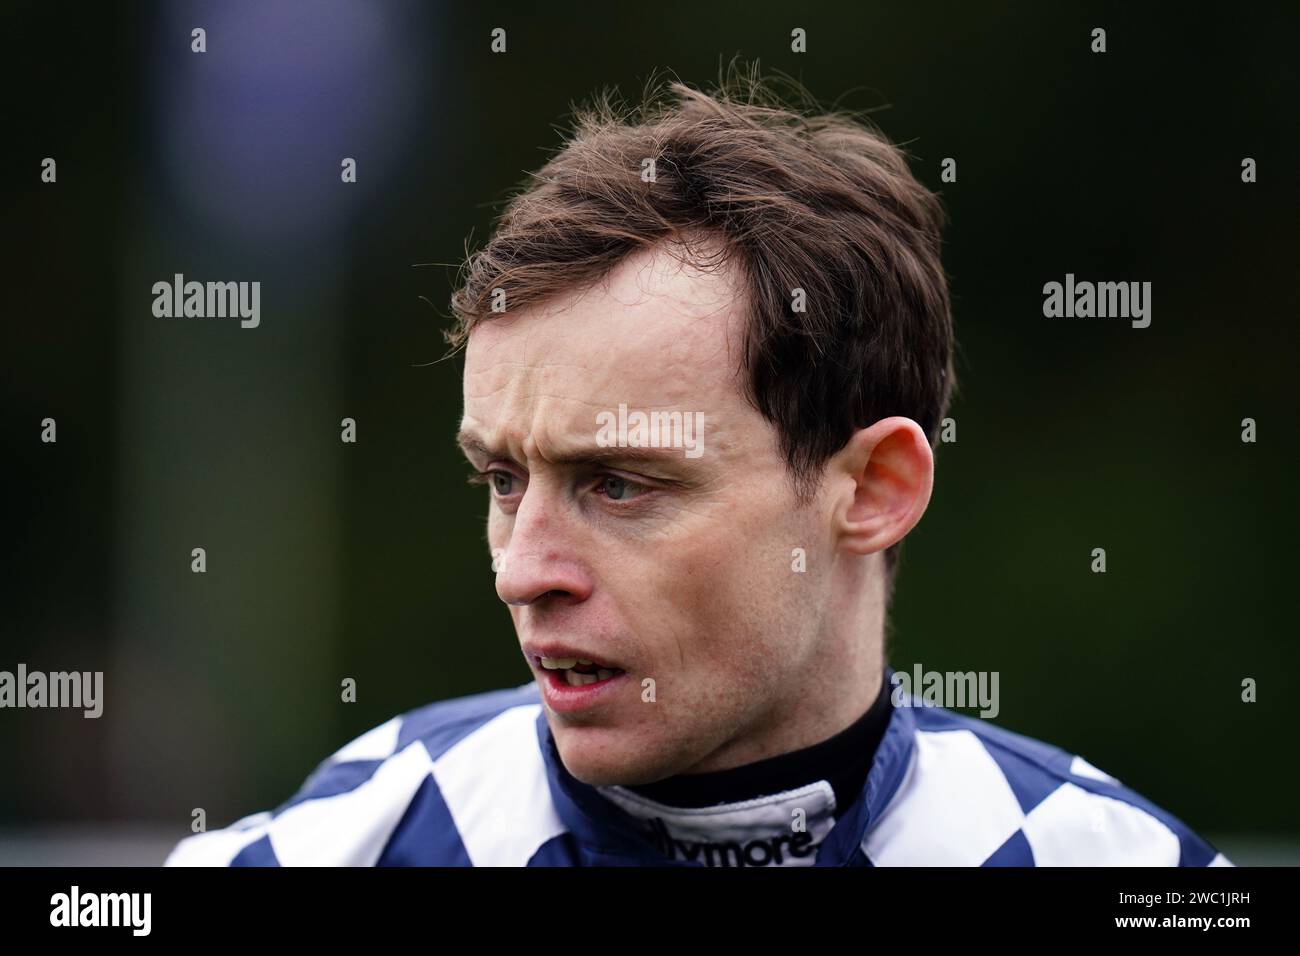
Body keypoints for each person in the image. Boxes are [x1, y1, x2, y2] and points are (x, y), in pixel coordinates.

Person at [166, 70, 1229, 867]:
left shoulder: (1118, 866)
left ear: (871, 490)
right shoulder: (352, 841)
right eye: (501, 478)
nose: (521, 570)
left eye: (619, 482)